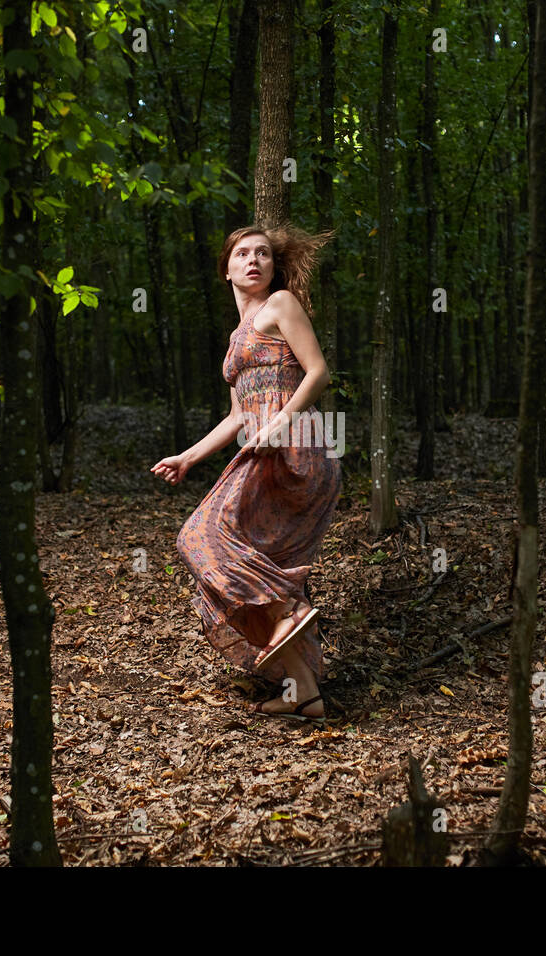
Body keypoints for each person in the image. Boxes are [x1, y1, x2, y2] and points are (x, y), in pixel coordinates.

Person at [151, 223, 341, 721]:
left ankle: (287, 612)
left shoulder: (281, 304)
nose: (253, 260)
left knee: (199, 536)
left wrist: (279, 423)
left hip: (296, 448)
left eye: (262, 254)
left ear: (274, 267)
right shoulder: (237, 337)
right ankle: (304, 694)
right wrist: (188, 457)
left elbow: (318, 372)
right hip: (259, 449)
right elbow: (237, 416)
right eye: (242, 254)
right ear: (227, 269)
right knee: (240, 566)